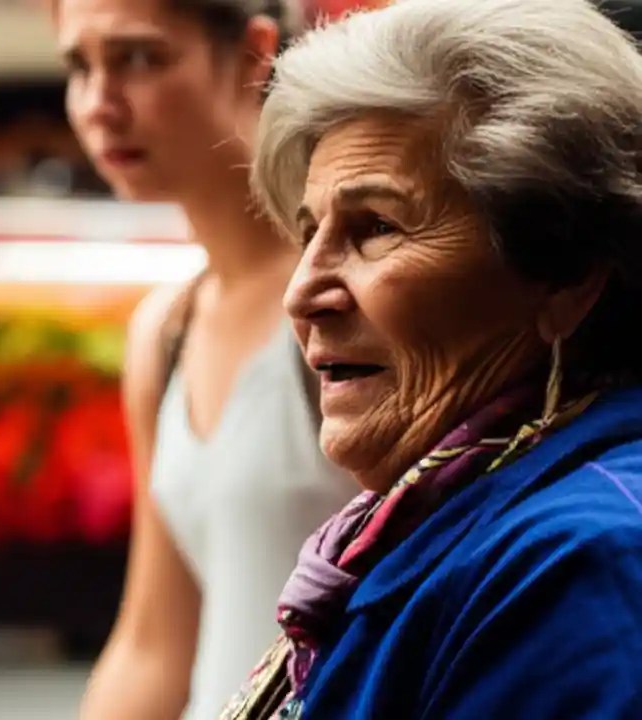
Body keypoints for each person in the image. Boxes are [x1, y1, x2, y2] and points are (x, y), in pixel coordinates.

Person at [223, 0, 642, 717]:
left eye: (376, 228)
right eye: (309, 234)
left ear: (566, 275)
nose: (303, 294)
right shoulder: (452, 518)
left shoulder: (576, 564)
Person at [56, 0, 354, 717]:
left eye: (138, 58)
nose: (100, 103)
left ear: (255, 54)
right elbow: (154, 644)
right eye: (79, 65)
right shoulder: (166, 331)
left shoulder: (345, 306)